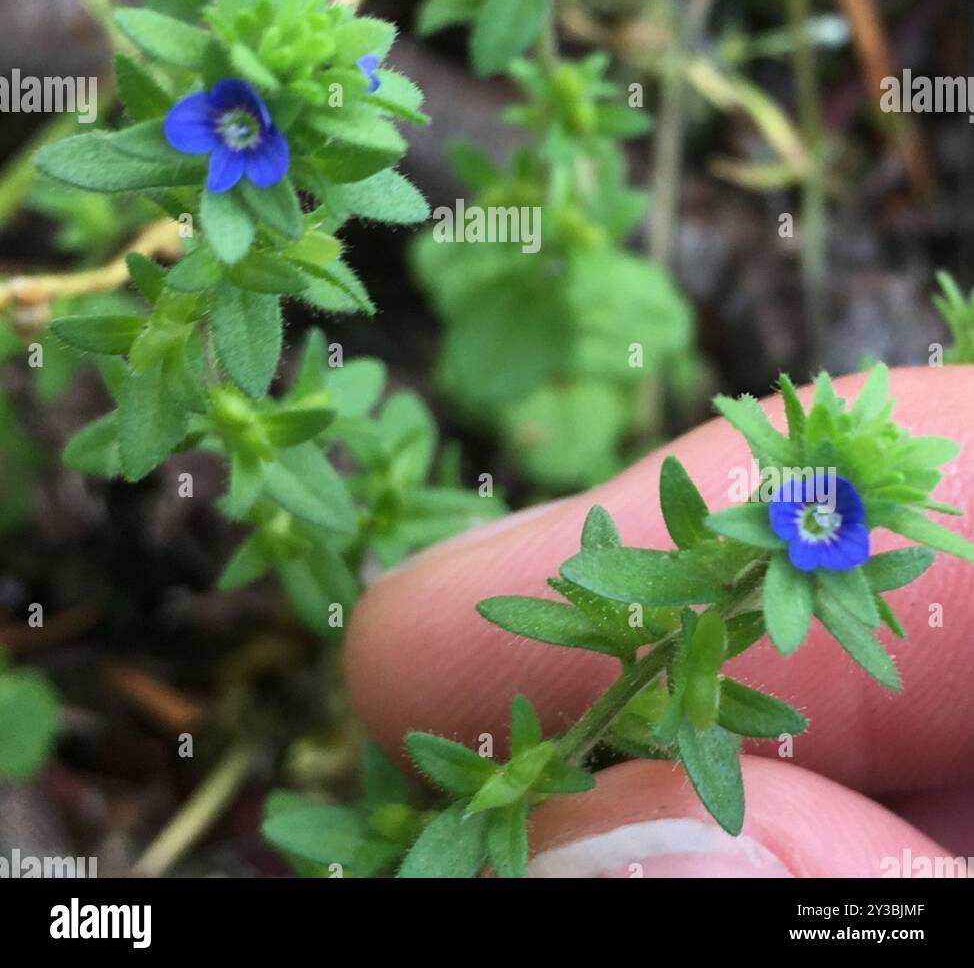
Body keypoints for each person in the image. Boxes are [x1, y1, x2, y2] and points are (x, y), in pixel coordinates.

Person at [345, 367, 973, 877]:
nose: (817, 518)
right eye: (813, 512)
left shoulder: (820, 548)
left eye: (829, 518)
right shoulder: (776, 519)